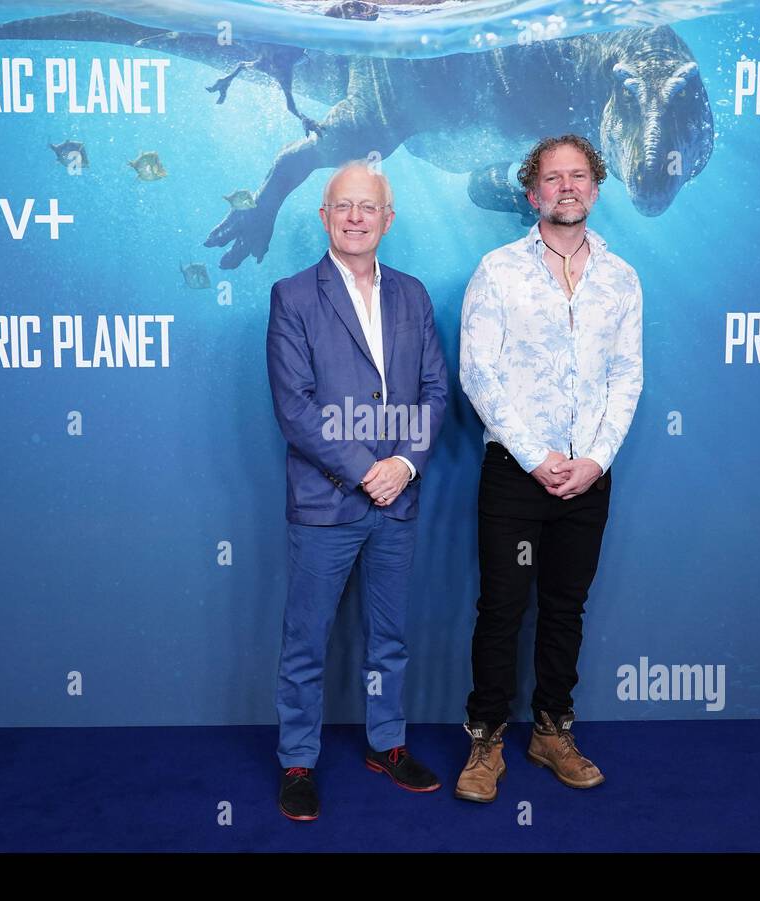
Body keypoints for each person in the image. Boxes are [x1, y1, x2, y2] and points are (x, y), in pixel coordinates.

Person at [454, 134, 643, 803]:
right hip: (515, 473)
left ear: (595, 188)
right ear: (533, 193)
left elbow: (627, 377)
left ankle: (551, 732)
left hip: (588, 478)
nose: (567, 187)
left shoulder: (621, 278)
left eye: (580, 176)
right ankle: (486, 742)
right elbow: (478, 374)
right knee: (501, 609)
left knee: (565, 608)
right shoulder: (497, 270)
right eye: (553, 177)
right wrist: (538, 459)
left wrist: (594, 460)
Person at [267, 160, 449, 821]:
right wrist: (365, 468)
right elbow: (296, 407)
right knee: (306, 640)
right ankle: (296, 760)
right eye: (342, 205)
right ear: (323, 216)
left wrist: (403, 464)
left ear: (387, 219)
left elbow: (435, 392)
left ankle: (387, 743)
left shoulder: (413, 295)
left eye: (367, 207)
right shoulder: (293, 296)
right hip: (326, 503)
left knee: (390, 636)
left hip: (397, 500)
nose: (354, 217)